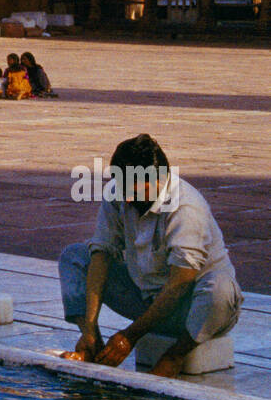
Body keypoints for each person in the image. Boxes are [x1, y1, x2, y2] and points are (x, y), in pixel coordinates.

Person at [58, 134, 243, 379]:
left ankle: (176, 355)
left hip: (193, 310)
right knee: (75, 257)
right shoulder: (119, 193)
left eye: (134, 190)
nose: (126, 198)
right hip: (145, 298)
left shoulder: (185, 207)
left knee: (219, 289)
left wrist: (129, 336)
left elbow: (180, 283)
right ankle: (93, 344)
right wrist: (90, 328)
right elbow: (102, 254)